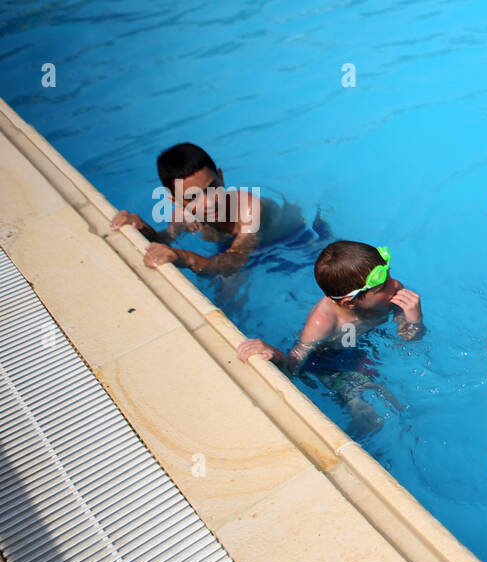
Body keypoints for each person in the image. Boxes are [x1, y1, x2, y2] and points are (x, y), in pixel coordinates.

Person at [236, 240, 423, 436]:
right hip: (330, 362)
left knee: (399, 405)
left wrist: (414, 320)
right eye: (381, 287)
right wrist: (274, 354)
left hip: (360, 345)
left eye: (389, 274)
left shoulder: (390, 291)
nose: (394, 284)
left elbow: (409, 341)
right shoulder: (323, 323)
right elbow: (293, 368)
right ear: (349, 303)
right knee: (373, 413)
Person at [109, 142, 308, 274]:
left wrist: (184, 256)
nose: (209, 202)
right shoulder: (182, 214)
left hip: (296, 241)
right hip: (236, 248)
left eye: (212, 187)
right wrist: (139, 226)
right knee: (226, 296)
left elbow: (235, 262)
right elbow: (162, 240)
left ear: (221, 176)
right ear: (175, 201)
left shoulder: (249, 208)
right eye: (192, 197)